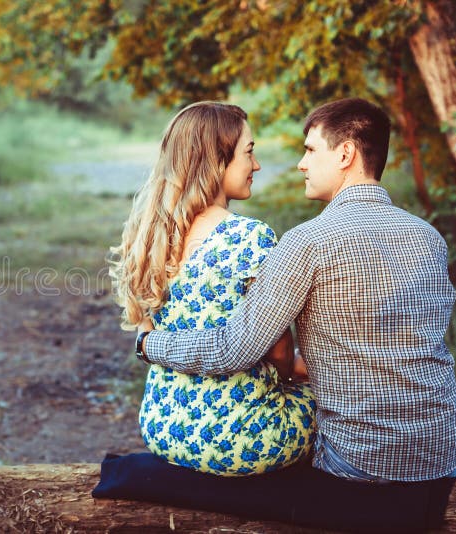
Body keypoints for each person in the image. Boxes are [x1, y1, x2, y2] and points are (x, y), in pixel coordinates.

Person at [136, 98, 456, 484]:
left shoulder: (307, 242)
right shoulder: (429, 237)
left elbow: (234, 348)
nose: (301, 163)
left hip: (360, 460)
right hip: (446, 445)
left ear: (345, 154)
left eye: (311, 150)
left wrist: (149, 345)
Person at [109, 101, 317, 477]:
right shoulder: (250, 236)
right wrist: (293, 372)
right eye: (249, 153)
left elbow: (147, 328)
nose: (256, 166)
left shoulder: (154, 237)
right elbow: (278, 346)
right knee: (329, 399)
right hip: (245, 441)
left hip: (164, 429)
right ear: (217, 161)